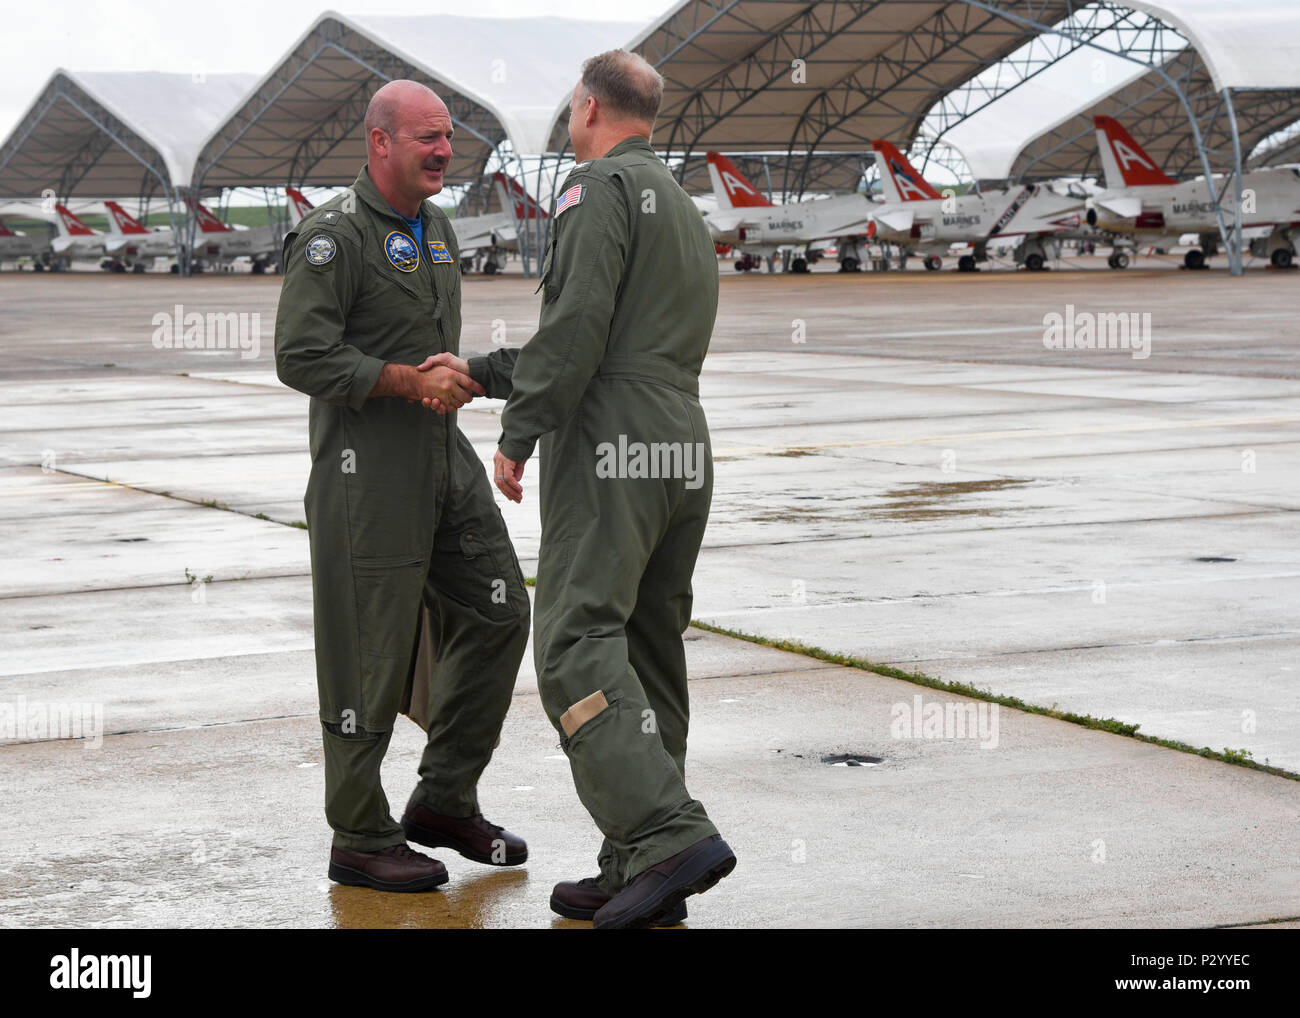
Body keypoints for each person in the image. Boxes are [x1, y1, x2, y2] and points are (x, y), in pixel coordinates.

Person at [468, 50, 735, 929]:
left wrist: (518, 432)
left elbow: (577, 327)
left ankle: (662, 834)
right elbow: (616, 332)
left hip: (613, 437)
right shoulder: (684, 209)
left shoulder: (598, 188)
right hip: (680, 440)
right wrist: (484, 373)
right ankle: (637, 865)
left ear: (587, 107)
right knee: (648, 647)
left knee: (577, 641)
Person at [274, 79, 530, 893]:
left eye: (447, 137)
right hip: (367, 476)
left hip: (442, 461)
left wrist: (456, 381)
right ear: (379, 141)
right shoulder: (333, 238)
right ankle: (358, 833)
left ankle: (444, 797)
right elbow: (300, 355)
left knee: (500, 608)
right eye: (426, 137)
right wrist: (399, 380)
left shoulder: (439, 228)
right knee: (367, 655)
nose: (443, 151)